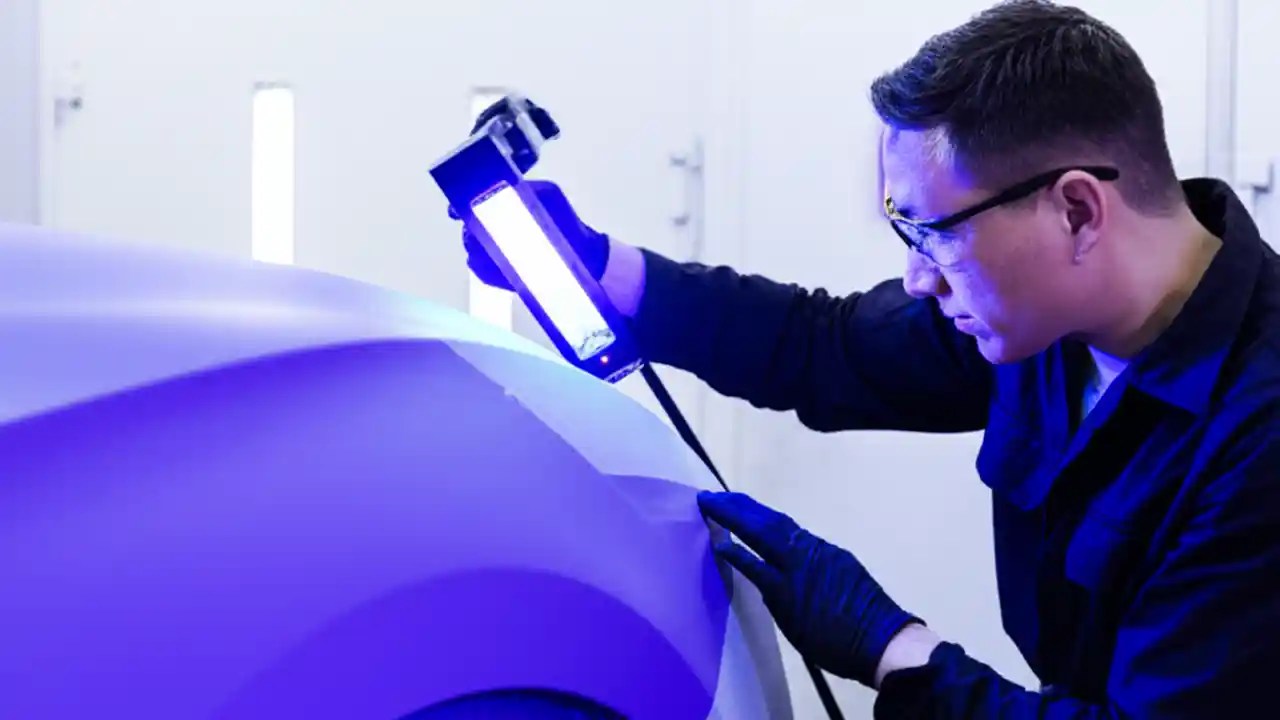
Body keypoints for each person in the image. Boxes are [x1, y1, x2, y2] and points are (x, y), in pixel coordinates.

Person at [461, 0, 1280, 716]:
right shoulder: (1043, 321)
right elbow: (829, 347)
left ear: (1075, 210)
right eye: (904, 233)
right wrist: (603, 267)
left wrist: (888, 646)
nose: (916, 278)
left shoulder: (1258, 436)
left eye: (937, 236)